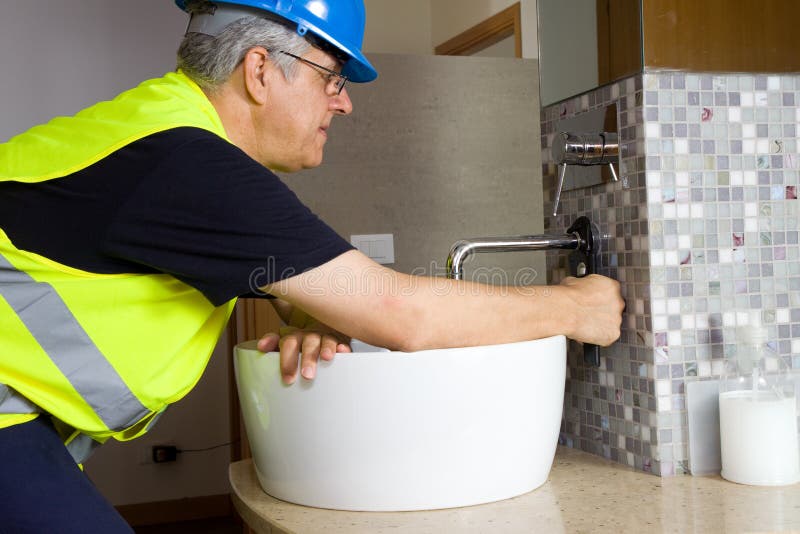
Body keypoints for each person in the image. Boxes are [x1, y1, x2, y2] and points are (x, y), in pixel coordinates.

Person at [0, 0, 624, 531]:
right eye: (332, 78)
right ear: (261, 70)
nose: (344, 104)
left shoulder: (170, 136)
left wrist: (309, 309)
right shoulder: (190, 165)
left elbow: (270, 270)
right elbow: (400, 313)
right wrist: (575, 306)